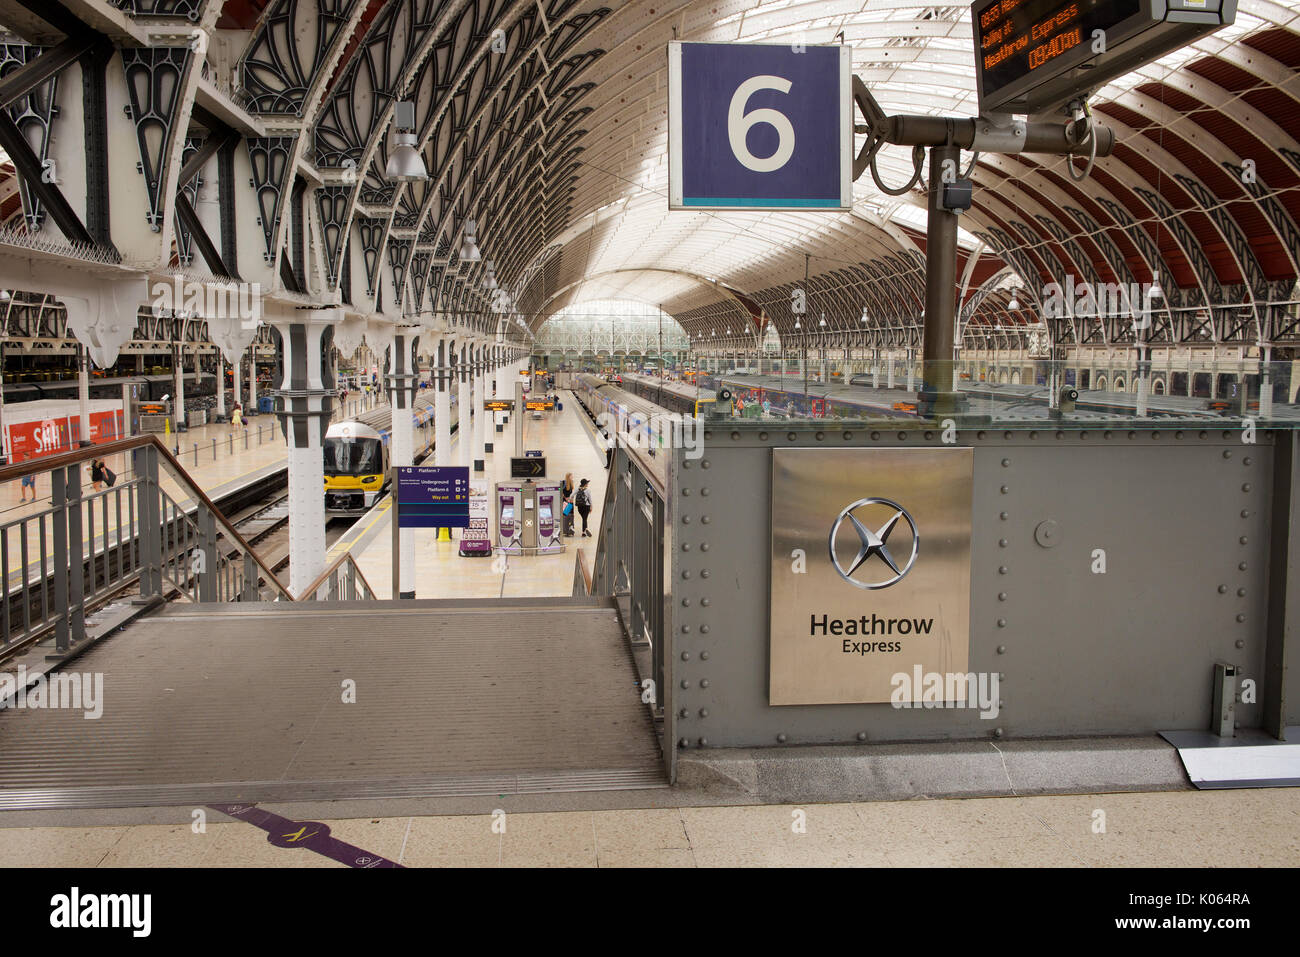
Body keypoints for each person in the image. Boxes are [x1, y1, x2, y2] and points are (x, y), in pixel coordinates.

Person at [561, 472, 576, 536]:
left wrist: (571, 498)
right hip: (565, 502)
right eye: (571, 476)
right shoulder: (564, 483)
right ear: (568, 477)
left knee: (571, 515)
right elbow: (560, 491)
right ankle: (566, 530)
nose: (572, 477)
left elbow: (571, 493)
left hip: (570, 502)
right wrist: (565, 498)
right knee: (566, 515)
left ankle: (571, 530)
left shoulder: (571, 482)